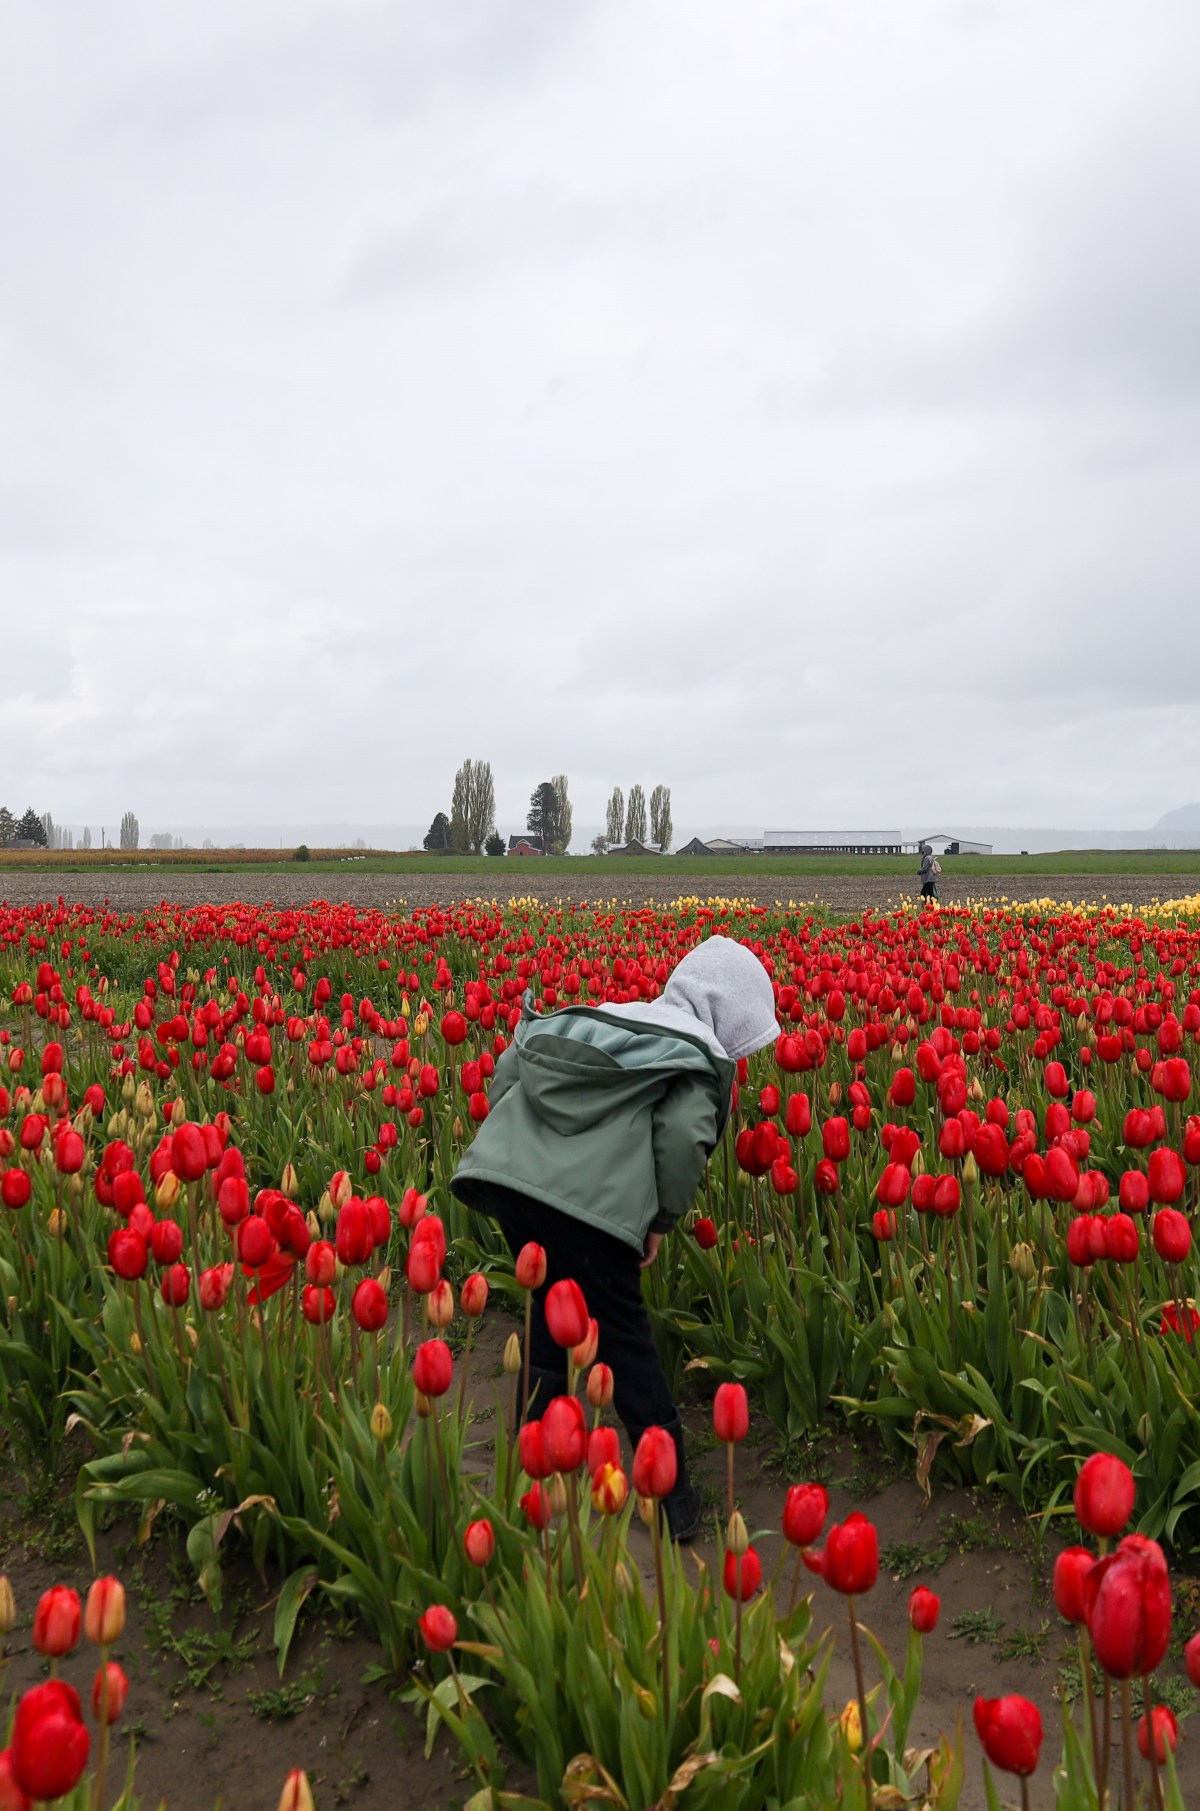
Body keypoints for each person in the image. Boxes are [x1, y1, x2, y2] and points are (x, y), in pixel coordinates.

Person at [450, 934, 779, 1541]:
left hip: (512, 1187)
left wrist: (532, 1154)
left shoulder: (614, 1018)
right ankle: (674, 1500)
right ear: (732, 1015)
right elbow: (682, 1138)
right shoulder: (696, 1056)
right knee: (626, 1341)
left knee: (549, 1332)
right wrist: (660, 1221)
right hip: (595, 1214)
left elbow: (508, 1072)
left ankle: (536, 1473)